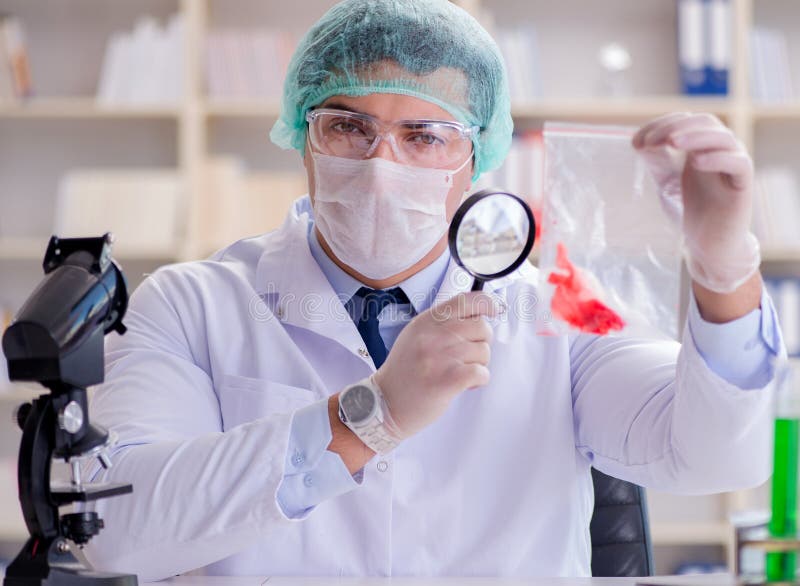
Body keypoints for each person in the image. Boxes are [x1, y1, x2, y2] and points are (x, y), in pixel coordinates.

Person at [82, 0, 782, 580]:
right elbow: (116, 531)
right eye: (348, 127)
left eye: (425, 135)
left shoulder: (561, 305)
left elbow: (716, 456)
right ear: (302, 135)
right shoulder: (189, 304)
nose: (382, 164)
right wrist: (368, 414)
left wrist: (724, 272)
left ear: (478, 157)